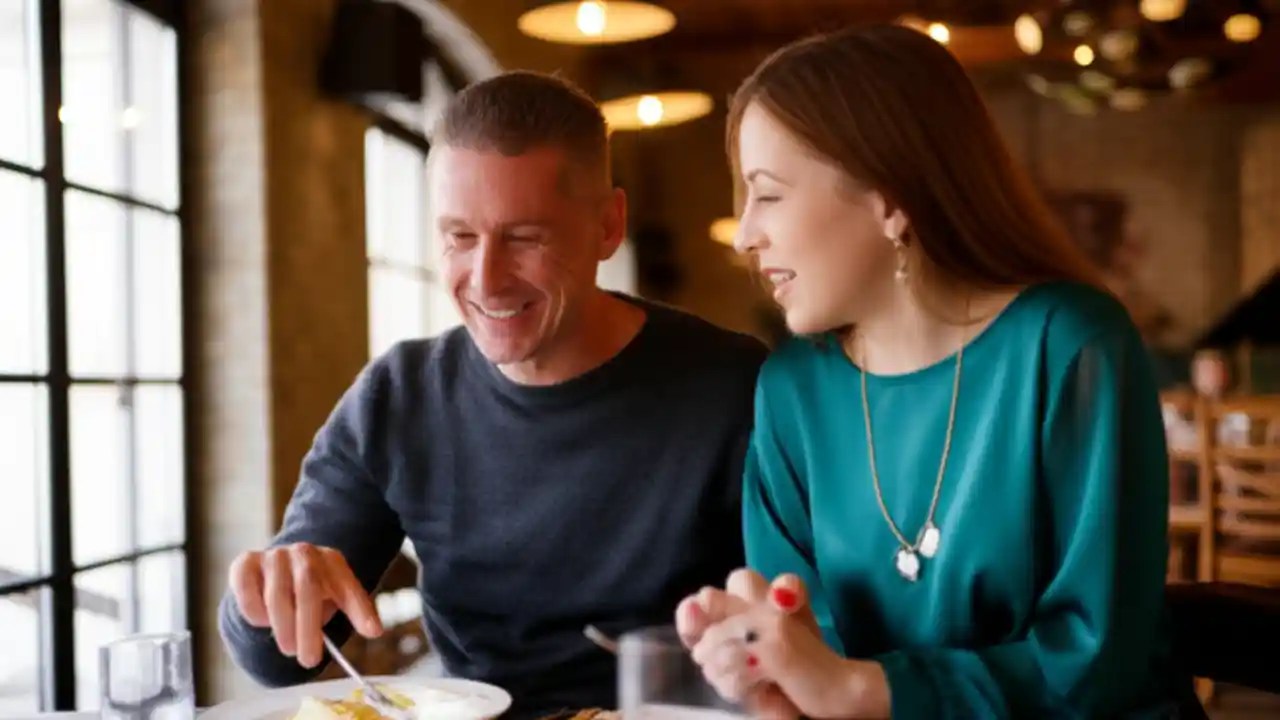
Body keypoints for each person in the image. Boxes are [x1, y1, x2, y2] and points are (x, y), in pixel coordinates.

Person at [219, 71, 768, 718]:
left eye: (525, 238)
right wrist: (265, 600)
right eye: (459, 237)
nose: (485, 280)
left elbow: (796, 632)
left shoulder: (735, 387)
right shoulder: (398, 398)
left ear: (607, 225)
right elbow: (285, 659)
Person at [675, 24, 1182, 719]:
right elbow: (802, 651)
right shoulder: (792, 390)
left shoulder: (1068, 345)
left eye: (767, 193)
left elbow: (1097, 660)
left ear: (887, 197)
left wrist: (856, 688)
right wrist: (759, 663)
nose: (742, 234)